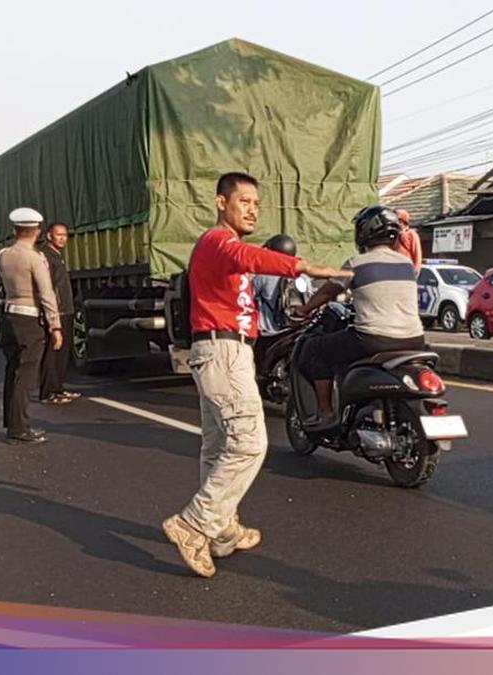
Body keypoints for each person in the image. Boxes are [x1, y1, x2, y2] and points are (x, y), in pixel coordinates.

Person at [161, 172, 349, 578]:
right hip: (223, 351)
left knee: (217, 447)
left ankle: (222, 530)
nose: (252, 209)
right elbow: (253, 259)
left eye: (256, 204)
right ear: (221, 203)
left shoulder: (227, 249)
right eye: (244, 201)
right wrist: (312, 268)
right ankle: (194, 524)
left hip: (222, 351)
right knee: (249, 443)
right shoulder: (219, 241)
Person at [296, 205, 426, 425]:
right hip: (415, 339)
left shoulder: (356, 263)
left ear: (365, 232)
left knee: (316, 350)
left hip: (373, 339)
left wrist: (304, 309)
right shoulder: (405, 264)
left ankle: (325, 413)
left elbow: (329, 290)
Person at [0, 207, 62, 445]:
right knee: (25, 376)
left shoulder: (3, 255)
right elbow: (46, 293)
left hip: (8, 316)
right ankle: (20, 428)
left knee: (12, 371)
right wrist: (56, 326)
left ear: (15, 230)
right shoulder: (35, 258)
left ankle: (11, 422)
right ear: (37, 231)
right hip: (29, 320)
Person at [38, 222, 78, 405]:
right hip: (57, 310)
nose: (62, 238)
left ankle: (58, 388)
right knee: (53, 351)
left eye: (65, 235)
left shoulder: (57, 256)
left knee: (62, 352)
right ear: (49, 236)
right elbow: (47, 287)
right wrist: (52, 313)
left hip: (65, 309)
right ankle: (48, 392)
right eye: (58, 235)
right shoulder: (46, 256)